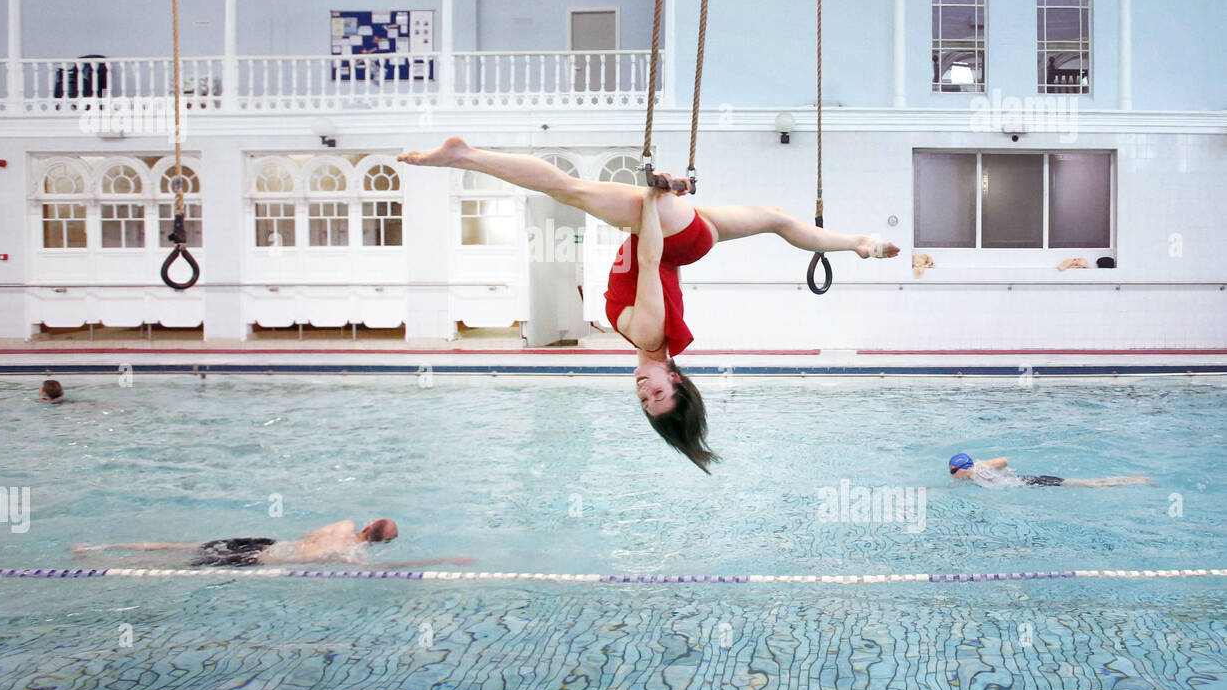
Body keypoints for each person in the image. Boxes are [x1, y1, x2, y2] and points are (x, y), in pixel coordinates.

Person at [399, 137, 899, 473]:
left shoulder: (647, 341)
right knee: (568, 189)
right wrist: (651, 204)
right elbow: (653, 253)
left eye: (644, 401)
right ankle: (464, 156)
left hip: (688, 238)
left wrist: (666, 205)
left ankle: (858, 242)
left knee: (775, 218)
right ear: (675, 379)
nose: (645, 391)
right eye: (658, 394)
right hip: (671, 234)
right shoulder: (649, 336)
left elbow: (663, 269)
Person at [74, 518, 472, 569]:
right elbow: (382, 570)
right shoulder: (352, 554)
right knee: (177, 565)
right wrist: (443, 558)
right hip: (257, 557)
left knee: (179, 546)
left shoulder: (344, 525)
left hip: (265, 541)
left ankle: (99, 549)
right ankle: (107, 562)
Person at [947, 453, 1154, 489]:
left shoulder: (978, 471)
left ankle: (1134, 480)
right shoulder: (975, 474)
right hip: (1028, 482)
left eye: (951, 472)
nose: (951, 476)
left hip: (1032, 483)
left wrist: (976, 468)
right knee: (1087, 484)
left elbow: (1004, 460)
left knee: (1089, 484)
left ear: (959, 470)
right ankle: (1130, 480)